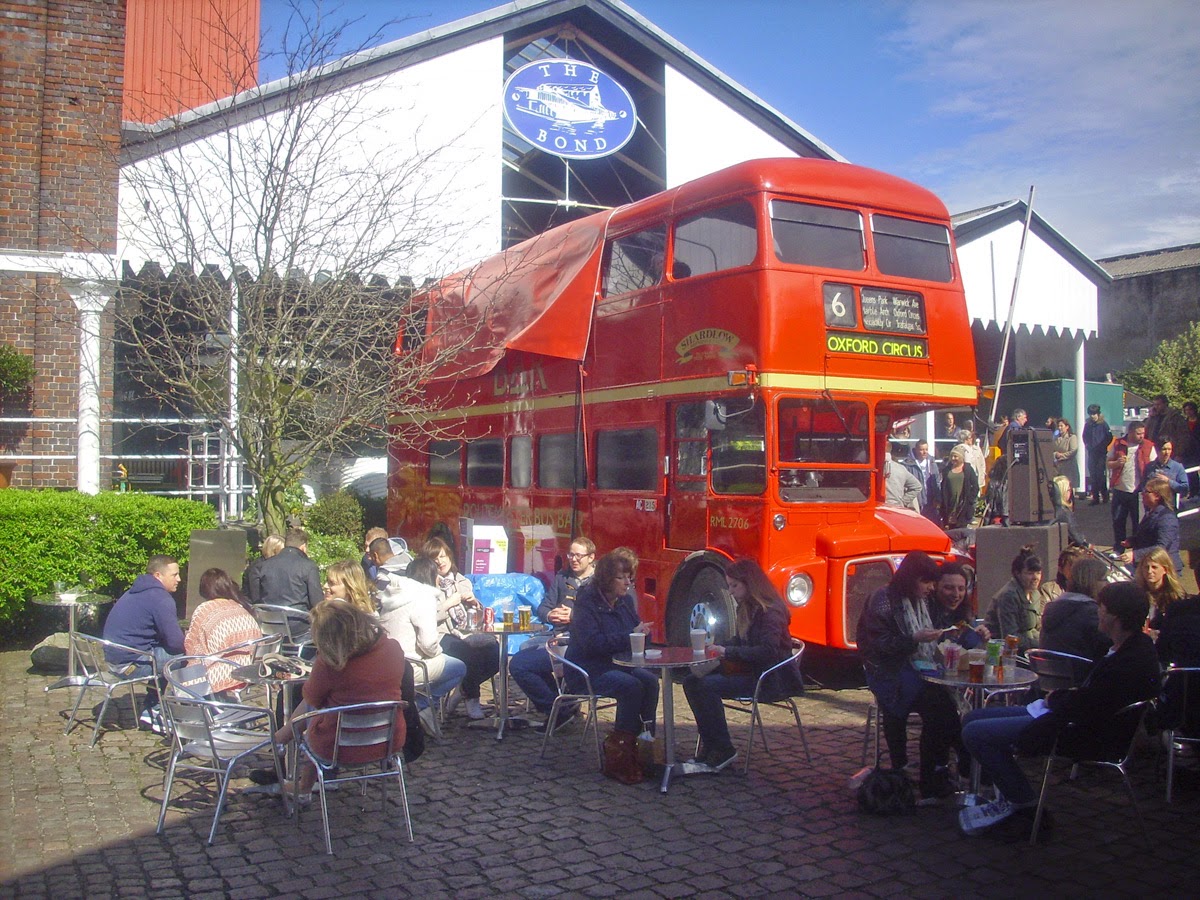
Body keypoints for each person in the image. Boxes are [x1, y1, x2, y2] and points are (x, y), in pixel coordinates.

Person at [959, 582, 1161, 837]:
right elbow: (1093, 698)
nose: (1098, 612)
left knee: (975, 732)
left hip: (1079, 731)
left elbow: (1093, 704)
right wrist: (1061, 699)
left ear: (1115, 617)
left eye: (1102, 607)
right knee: (973, 718)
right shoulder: (1128, 648)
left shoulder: (1129, 661)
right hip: (1069, 717)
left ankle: (1023, 802)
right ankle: (1007, 792)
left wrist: (1057, 699)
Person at [273, 601, 407, 800]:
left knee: (313, 708)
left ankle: (295, 770)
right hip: (387, 742)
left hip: (336, 749)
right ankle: (281, 742)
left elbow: (312, 697)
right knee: (328, 708)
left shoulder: (330, 664)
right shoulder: (393, 648)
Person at [856, 551, 962, 803]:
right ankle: (924, 773)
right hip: (887, 672)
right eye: (926, 582)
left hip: (915, 668)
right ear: (911, 579)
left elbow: (946, 620)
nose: (930, 588)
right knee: (937, 706)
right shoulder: (882, 600)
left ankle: (936, 770)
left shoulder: (920, 600)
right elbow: (879, 645)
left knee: (945, 707)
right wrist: (913, 639)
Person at [682, 559, 802, 770]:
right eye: (729, 586)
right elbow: (741, 640)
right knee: (692, 681)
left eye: (734, 586)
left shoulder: (771, 611)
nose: (731, 591)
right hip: (750, 670)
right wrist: (718, 647)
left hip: (770, 679)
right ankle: (711, 745)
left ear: (750, 583)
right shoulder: (747, 608)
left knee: (706, 686)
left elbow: (768, 652)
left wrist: (727, 652)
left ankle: (723, 748)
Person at [565, 549, 658, 785]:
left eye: (630, 577)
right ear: (607, 579)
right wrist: (629, 636)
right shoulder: (586, 602)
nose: (627, 583)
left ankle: (646, 746)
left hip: (616, 664)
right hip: (586, 669)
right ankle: (620, 756)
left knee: (649, 681)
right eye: (621, 577)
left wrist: (643, 633)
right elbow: (591, 644)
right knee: (630, 686)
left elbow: (635, 632)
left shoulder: (625, 601)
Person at [371, 547, 465, 730]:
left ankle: (420, 708)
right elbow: (428, 644)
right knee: (459, 667)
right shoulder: (424, 597)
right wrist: (438, 652)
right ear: (432, 577)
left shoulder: (394, 593)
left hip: (386, 662)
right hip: (410, 666)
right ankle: (421, 707)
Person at [508, 537, 596, 730]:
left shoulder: (598, 583)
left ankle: (557, 708)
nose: (573, 559)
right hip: (555, 634)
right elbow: (543, 608)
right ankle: (561, 701)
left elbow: (599, 617)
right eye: (570, 555)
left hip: (577, 640)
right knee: (525, 647)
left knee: (523, 664)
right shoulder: (563, 577)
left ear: (591, 557)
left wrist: (573, 616)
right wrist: (550, 615)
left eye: (578, 556)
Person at [420, 537, 499, 720]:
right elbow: (426, 617)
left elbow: (476, 618)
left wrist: (474, 604)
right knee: (469, 654)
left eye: (443, 556)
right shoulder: (426, 586)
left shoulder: (461, 581)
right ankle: (472, 699)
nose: (440, 562)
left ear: (449, 556)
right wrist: (448, 604)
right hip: (441, 634)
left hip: (465, 631)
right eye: (434, 558)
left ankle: (462, 689)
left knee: (495, 651)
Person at [184, 567, 263, 695]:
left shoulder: (204, 609)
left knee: (178, 673)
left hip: (220, 674)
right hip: (249, 671)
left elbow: (192, 648)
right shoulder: (240, 607)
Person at [1039, 557, 1110, 660]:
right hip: (1082, 669)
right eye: (1105, 579)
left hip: (1050, 669)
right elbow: (1108, 648)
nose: (1108, 584)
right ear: (1092, 582)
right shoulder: (1092, 613)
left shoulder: (1052, 608)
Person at [984, 546, 1051, 653]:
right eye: (1030, 573)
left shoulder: (1035, 593)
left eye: (1038, 573)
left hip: (1030, 649)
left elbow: (1035, 627)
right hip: (1003, 652)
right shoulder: (1009, 596)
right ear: (1017, 573)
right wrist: (1042, 644)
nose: (1035, 577)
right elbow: (1010, 636)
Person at [1120, 475, 1182, 574]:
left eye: (1146, 491)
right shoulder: (1150, 512)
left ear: (1157, 496)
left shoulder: (1167, 518)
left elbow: (1161, 547)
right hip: (1149, 566)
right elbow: (1147, 537)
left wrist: (1135, 555)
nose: (1142, 494)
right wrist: (1132, 541)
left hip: (1164, 569)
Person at [1107, 422, 1156, 547]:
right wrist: (1117, 463)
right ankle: (1119, 547)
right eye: (1138, 433)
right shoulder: (1118, 444)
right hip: (1120, 489)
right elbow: (1108, 463)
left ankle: (1137, 548)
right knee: (1118, 521)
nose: (1141, 436)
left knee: (1138, 522)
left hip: (1139, 491)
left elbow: (1155, 467)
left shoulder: (1148, 446)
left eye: (1143, 433)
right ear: (1130, 432)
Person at [248, 527, 322, 609]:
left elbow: (257, 598)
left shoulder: (264, 565)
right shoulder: (309, 566)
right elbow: (317, 602)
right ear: (303, 547)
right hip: (299, 615)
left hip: (269, 615)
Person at [928, 562, 988, 649]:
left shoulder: (966, 615)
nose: (956, 594)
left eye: (961, 589)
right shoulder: (925, 615)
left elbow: (970, 649)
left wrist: (982, 638)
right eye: (949, 588)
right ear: (935, 587)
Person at [1136, 546, 1187, 635]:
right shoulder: (1136, 593)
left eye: (1154, 567)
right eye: (1146, 567)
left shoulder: (1177, 596)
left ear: (1165, 570)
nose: (1149, 571)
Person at [938, 443, 979, 531]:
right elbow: (943, 487)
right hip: (950, 504)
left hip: (963, 505)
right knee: (950, 529)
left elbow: (975, 486)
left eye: (956, 456)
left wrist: (970, 500)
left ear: (961, 457)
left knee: (961, 529)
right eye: (952, 456)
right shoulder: (947, 470)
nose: (953, 458)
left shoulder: (968, 469)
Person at [900, 440, 939, 522]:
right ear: (916, 450)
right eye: (922, 450)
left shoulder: (932, 462)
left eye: (926, 449)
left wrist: (937, 497)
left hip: (930, 500)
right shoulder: (907, 464)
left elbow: (937, 481)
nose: (924, 452)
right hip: (916, 500)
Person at [1082, 404, 1112, 505]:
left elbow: (1109, 437)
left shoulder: (1103, 424)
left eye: (1094, 414)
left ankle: (1105, 496)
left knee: (1100, 475)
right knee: (1093, 475)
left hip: (1101, 453)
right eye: (1091, 414)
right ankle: (1095, 498)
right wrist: (1087, 445)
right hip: (1092, 453)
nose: (1092, 416)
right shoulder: (1088, 425)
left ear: (1098, 414)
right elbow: (1084, 436)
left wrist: (1103, 446)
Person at [1050, 475, 1089, 548]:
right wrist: (1086, 544)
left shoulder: (1051, 508)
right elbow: (1076, 537)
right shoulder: (1064, 512)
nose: (1070, 493)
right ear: (1061, 492)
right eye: (1068, 490)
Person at [1181, 401, 1200, 498]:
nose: (1188, 412)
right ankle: (1193, 491)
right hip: (1188, 450)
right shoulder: (1184, 422)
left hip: (1198, 448)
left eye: (1190, 409)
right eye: (1186, 410)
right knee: (1190, 471)